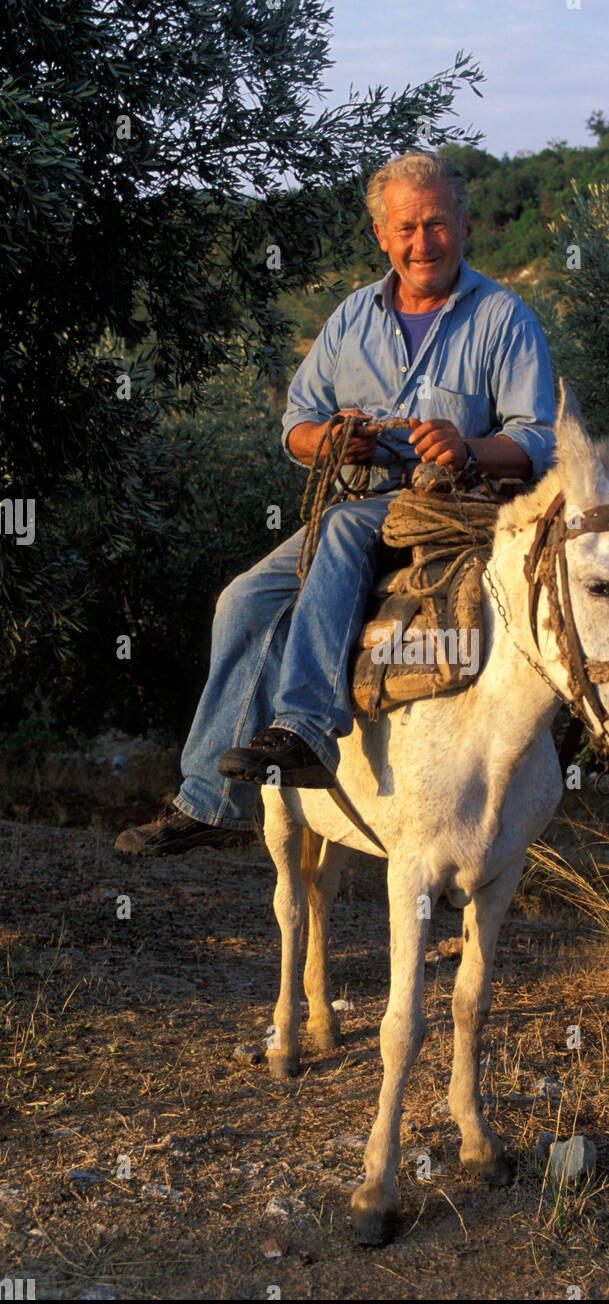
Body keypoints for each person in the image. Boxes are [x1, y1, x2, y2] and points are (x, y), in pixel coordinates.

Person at [115, 149, 558, 856]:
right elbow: (295, 422)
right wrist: (331, 442)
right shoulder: (352, 316)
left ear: (463, 224)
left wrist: (468, 447)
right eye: (406, 228)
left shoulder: (502, 317)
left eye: (436, 224)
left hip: (453, 509)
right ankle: (206, 799)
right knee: (241, 600)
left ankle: (305, 729)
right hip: (358, 499)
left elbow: (537, 437)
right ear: (381, 234)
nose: (423, 243)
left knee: (347, 529)